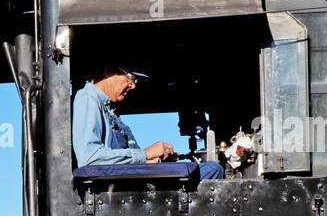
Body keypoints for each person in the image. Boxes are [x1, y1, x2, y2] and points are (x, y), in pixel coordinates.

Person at [72, 65, 223, 180]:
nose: (133, 85)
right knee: (212, 170)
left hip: (127, 182)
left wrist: (156, 160)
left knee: (209, 168)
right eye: (131, 78)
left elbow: (126, 164)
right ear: (108, 71)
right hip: (116, 188)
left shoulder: (110, 111)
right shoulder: (87, 97)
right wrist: (146, 154)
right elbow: (90, 157)